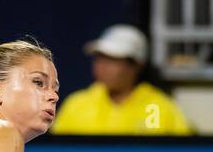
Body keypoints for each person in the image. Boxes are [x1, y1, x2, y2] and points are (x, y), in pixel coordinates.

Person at [50, 24, 192, 136]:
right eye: (99, 59)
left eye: (112, 60)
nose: (102, 67)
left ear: (136, 66)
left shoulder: (158, 106)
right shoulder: (77, 104)